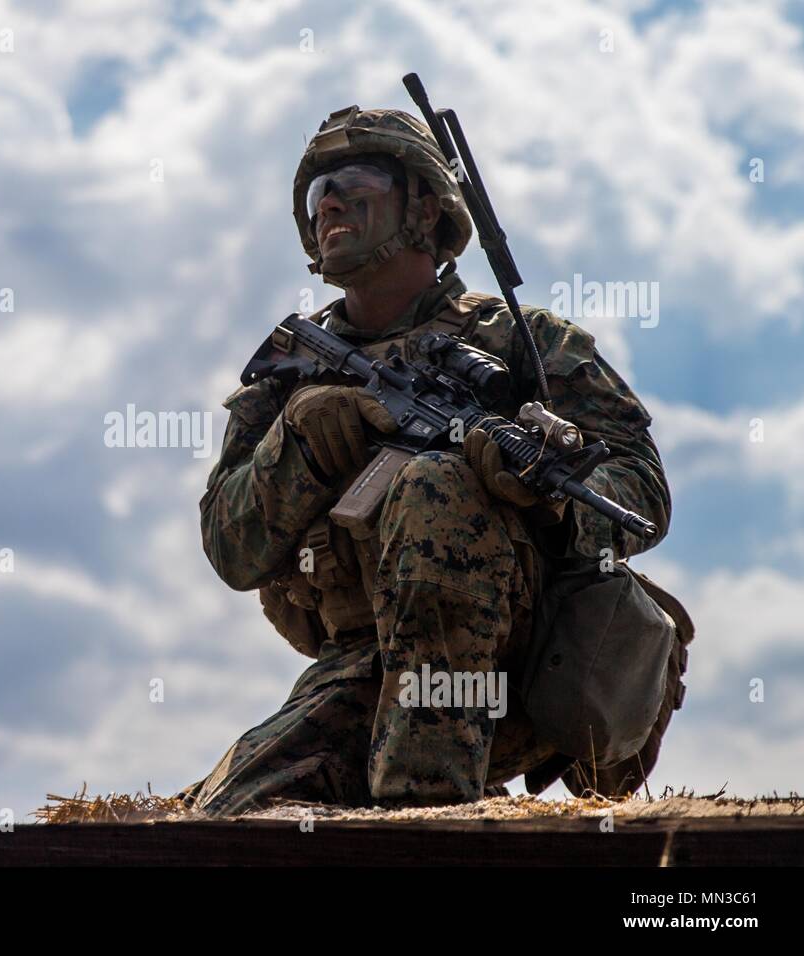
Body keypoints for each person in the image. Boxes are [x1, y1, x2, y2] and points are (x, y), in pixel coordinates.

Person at [179, 105, 673, 815]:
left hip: (524, 663)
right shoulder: (290, 372)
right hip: (368, 667)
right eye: (319, 193)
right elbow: (231, 551)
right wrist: (304, 446)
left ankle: (427, 821)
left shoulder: (523, 341)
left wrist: (540, 493)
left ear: (424, 210)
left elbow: (643, 491)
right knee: (232, 818)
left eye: (355, 180)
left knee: (436, 484)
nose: (332, 202)